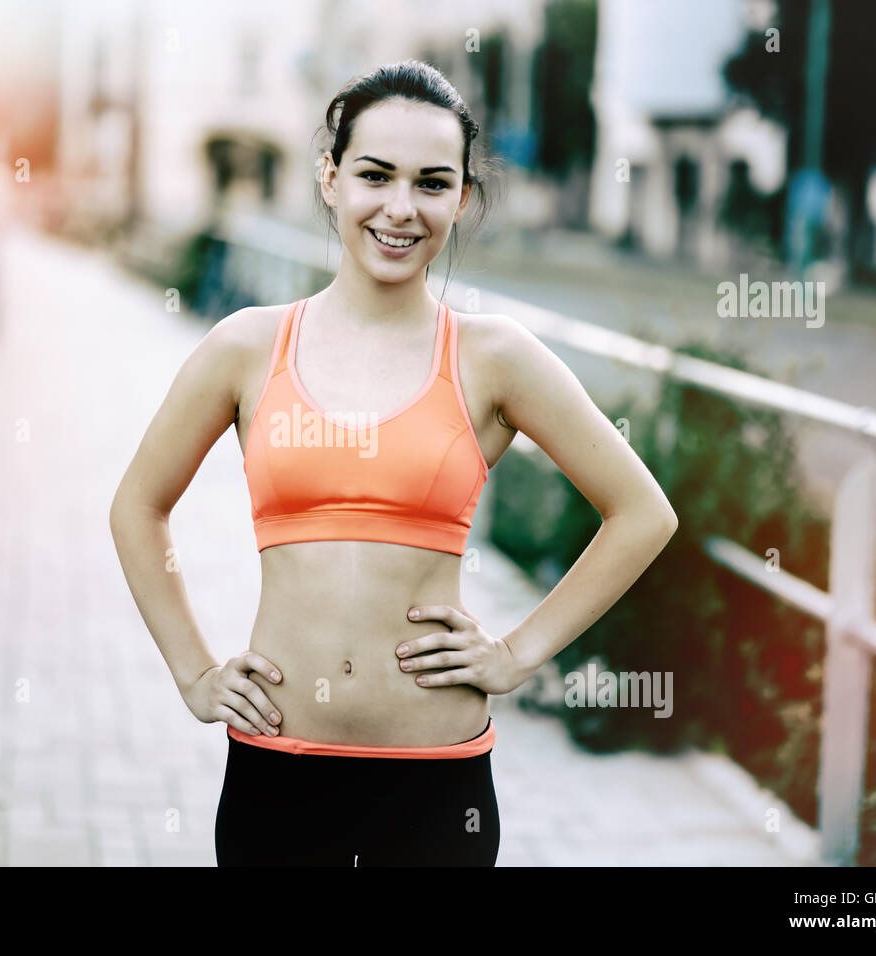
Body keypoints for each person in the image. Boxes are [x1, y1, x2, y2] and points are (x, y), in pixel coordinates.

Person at [110, 59, 678, 867]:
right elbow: (136, 506)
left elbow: (642, 512)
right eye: (375, 175)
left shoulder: (495, 357)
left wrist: (517, 653)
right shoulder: (245, 346)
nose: (401, 209)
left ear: (463, 199)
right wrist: (194, 672)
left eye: (433, 183)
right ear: (331, 178)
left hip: (433, 788)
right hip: (278, 774)